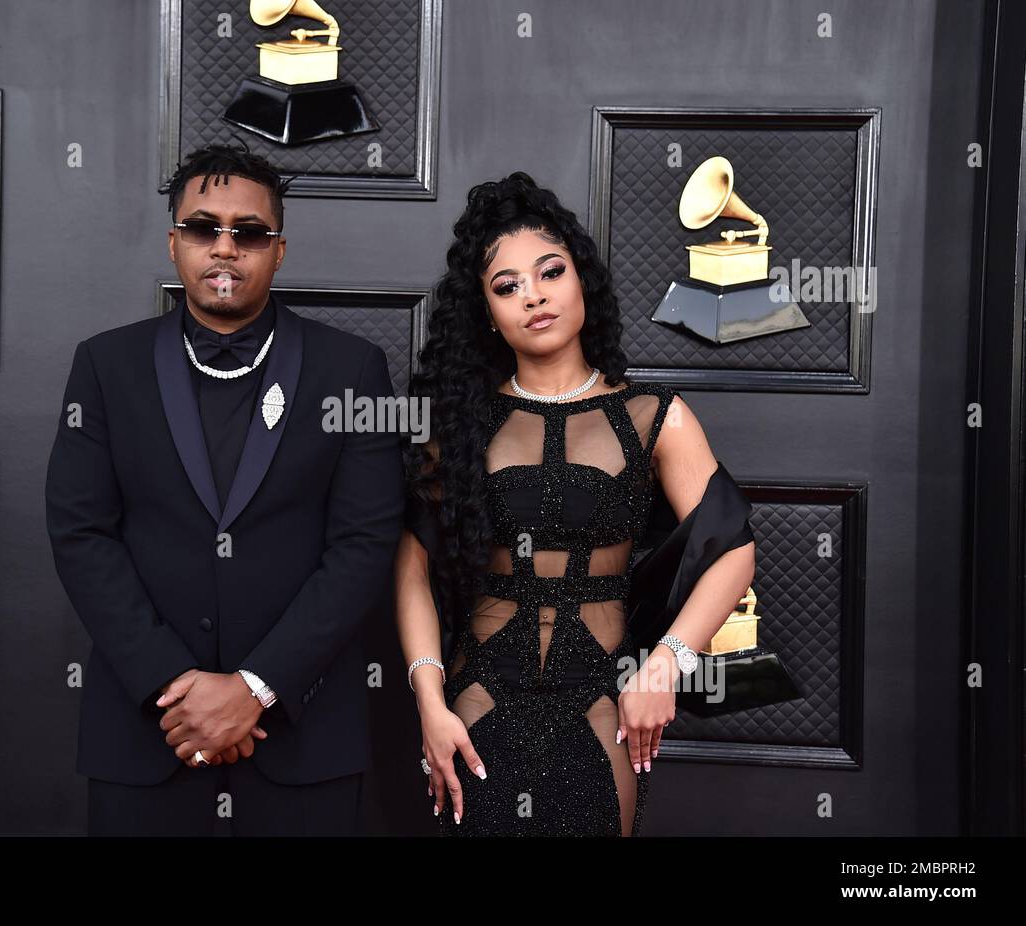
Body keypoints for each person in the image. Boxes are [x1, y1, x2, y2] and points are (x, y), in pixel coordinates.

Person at [45, 142, 404, 835]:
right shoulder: (104, 365)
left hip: (304, 740)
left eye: (249, 233)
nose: (225, 248)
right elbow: (80, 533)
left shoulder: (353, 369)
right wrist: (176, 690)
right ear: (174, 242)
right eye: (204, 228)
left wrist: (256, 688)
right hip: (147, 734)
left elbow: (365, 543)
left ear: (279, 249)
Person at [395, 171, 757, 836]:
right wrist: (428, 701)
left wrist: (666, 664)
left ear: (579, 279)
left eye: (549, 272)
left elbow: (731, 548)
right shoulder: (457, 426)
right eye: (507, 287)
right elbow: (412, 571)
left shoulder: (656, 418)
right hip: (476, 708)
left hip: (604, 704)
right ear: (488, 314)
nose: (533, 296)